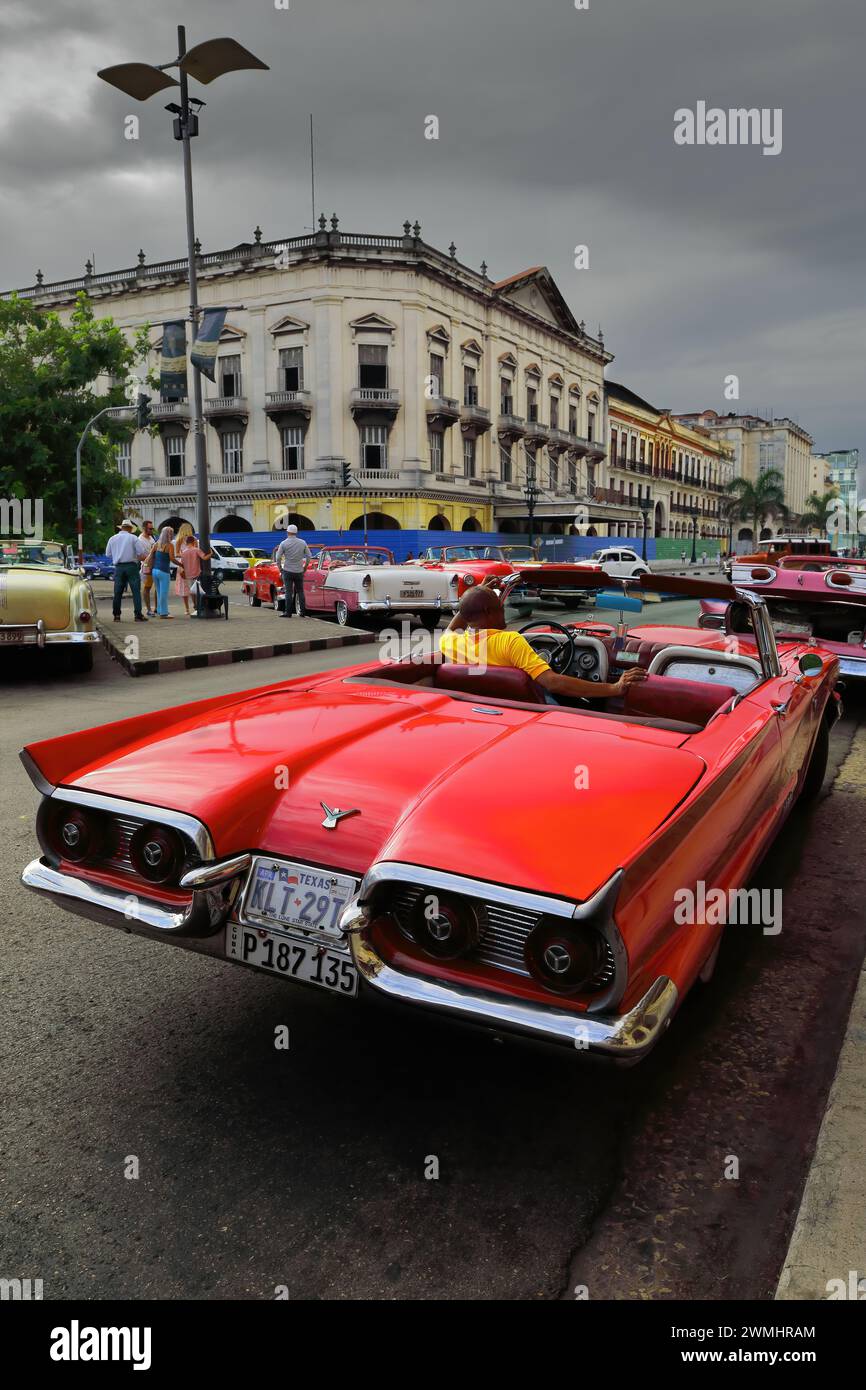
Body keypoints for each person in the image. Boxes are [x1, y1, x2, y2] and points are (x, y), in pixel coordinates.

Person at [440, 577, 646, 704]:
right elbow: (553, 682)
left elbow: (454, 625)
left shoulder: (450, 643)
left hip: (485, 708)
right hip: (526, 708)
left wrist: (478, 591)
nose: (503, 608)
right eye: (498, 605)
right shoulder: (510, 642)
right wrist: (614, 688)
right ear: (487, 611)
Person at [105, 519, 151, 621]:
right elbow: (140, 552)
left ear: (121, 527)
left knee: (117, 592)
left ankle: (116, 615)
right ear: (130, 528)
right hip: (131, 566)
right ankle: (137, 615)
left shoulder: (112, 538)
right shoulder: (133, 538)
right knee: (135, 591)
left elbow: (108, 554)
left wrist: (118, 554)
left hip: (119, 567)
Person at [274, 523, 312, 617]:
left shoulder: (283, 543)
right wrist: (305, 567)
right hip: (299, 571)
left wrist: (280, 568)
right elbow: (309, 556)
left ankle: (288, 612)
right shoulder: (302, 542)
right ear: (296, 533)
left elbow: (278, 557)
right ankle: (302, 612)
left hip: (287, 570)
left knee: (288, 592)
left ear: (288, 532)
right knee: (300, 591)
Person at [175, 533, 212, 616]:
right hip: (197, 574)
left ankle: (195, 606)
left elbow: (182, 564)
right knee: (199, 591)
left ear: (186, 543)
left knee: (192, 591)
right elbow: (204, 558)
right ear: (193, 542)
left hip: (188, 575)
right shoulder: (196, 550)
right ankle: (199, 606)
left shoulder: (183, 552)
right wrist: (211, 553)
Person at [151, 526, 176, 619]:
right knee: (164, 593)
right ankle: (164, 613)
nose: (172, 535)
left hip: (154, 570)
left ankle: (160, 610)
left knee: (158, 591)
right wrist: (181, 565)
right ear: (169, 534)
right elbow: (172, 559)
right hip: (164, 571)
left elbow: (151, 555)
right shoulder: (169, 545)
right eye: (171, 533)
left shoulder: (157, 544)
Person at [139, 520, 156, 615]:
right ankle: (149, 609)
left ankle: (157, 608)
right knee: (147, 588)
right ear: (144, 528)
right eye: (150, 528)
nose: (151, 530)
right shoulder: (140, 539)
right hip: (147, 566)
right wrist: (151, 556)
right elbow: (140, 556)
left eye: (152, 528)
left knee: (157, 587)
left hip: (155, 565)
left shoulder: (151, 538)